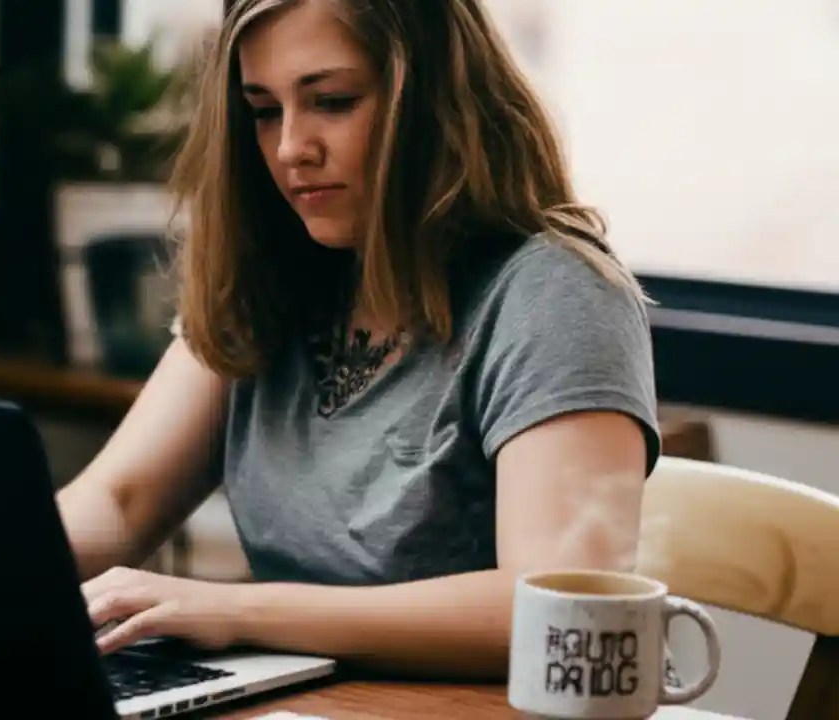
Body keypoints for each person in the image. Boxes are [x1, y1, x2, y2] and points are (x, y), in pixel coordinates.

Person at [56, 0, 659, 681]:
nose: (290, 148)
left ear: (437, 101)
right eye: (263, 110)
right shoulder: (273, 277)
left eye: (333, 101)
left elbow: (555, 609)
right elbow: (121, 499)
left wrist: (236, 611)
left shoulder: (557, 294)